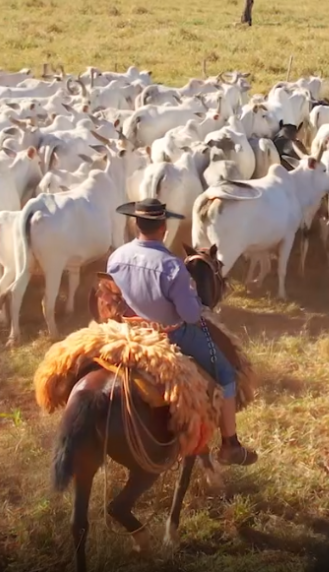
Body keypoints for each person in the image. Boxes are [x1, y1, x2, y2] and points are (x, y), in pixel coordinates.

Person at [106, 198, 258, 466]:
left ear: (135, 223)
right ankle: (230, 444)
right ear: (163, 227)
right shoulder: (172, 266)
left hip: (131, 329)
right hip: (172, 334)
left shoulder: (116, 257)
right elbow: (188, 315)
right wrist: (198, 306)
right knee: (226, 373)